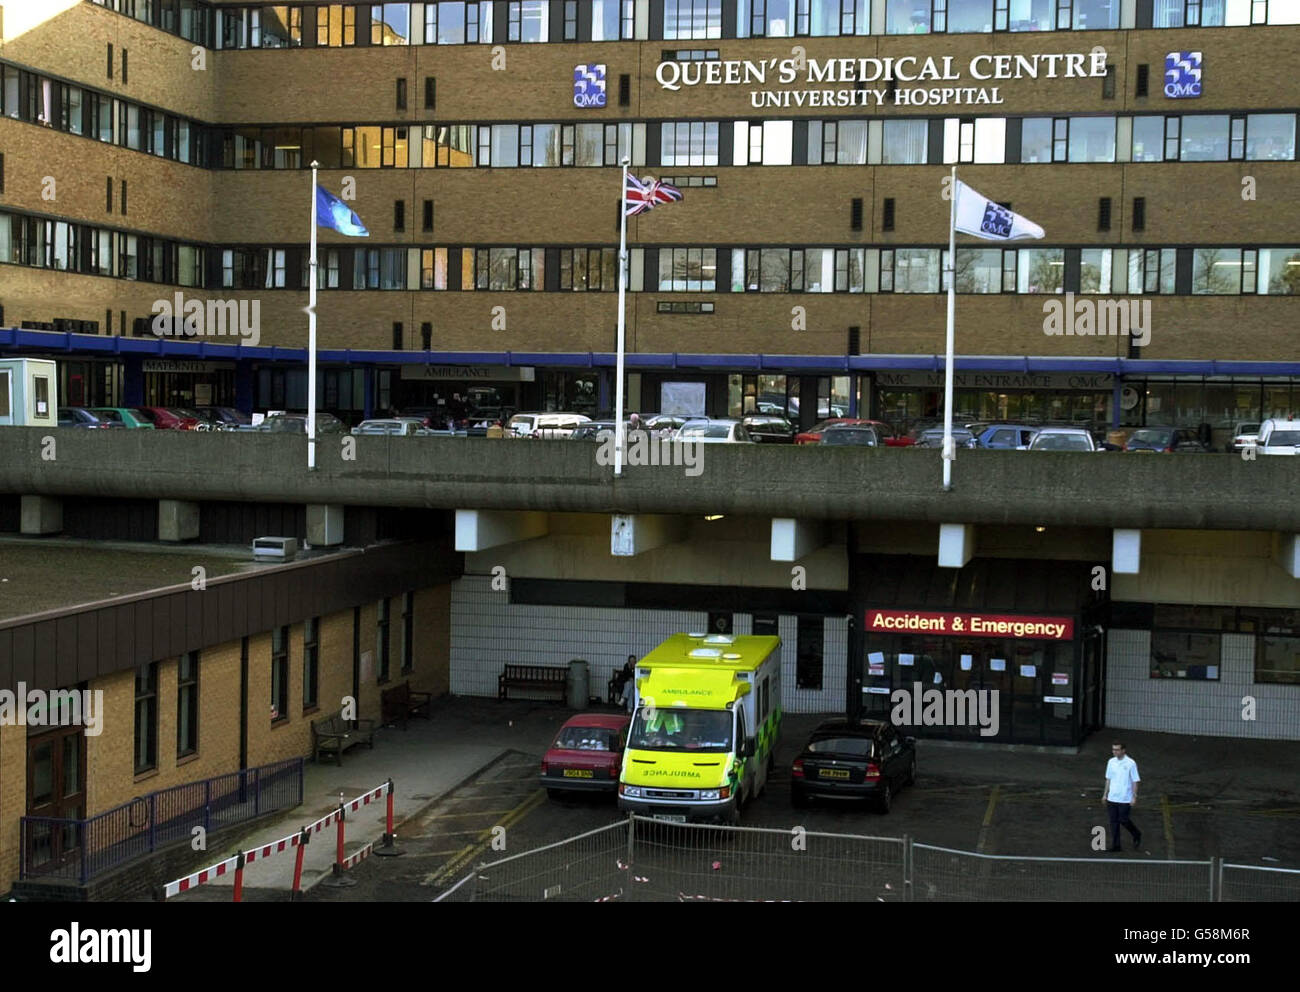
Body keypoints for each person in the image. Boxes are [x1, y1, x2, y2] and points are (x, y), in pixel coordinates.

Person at [1103, 741, 1142, 852]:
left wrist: (1134, 796)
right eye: (1113, 749)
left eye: (1117, 749)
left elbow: (1135, 781)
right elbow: (1108, 779)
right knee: (1113, 822)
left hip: (1125, 798)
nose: (1114, 752)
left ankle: (1136, 833)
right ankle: (1116, 846)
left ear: (1123, 750)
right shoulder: (1111, 762)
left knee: (1123, 820)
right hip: (1112, 797)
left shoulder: (1131, 763)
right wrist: (1105, 794)